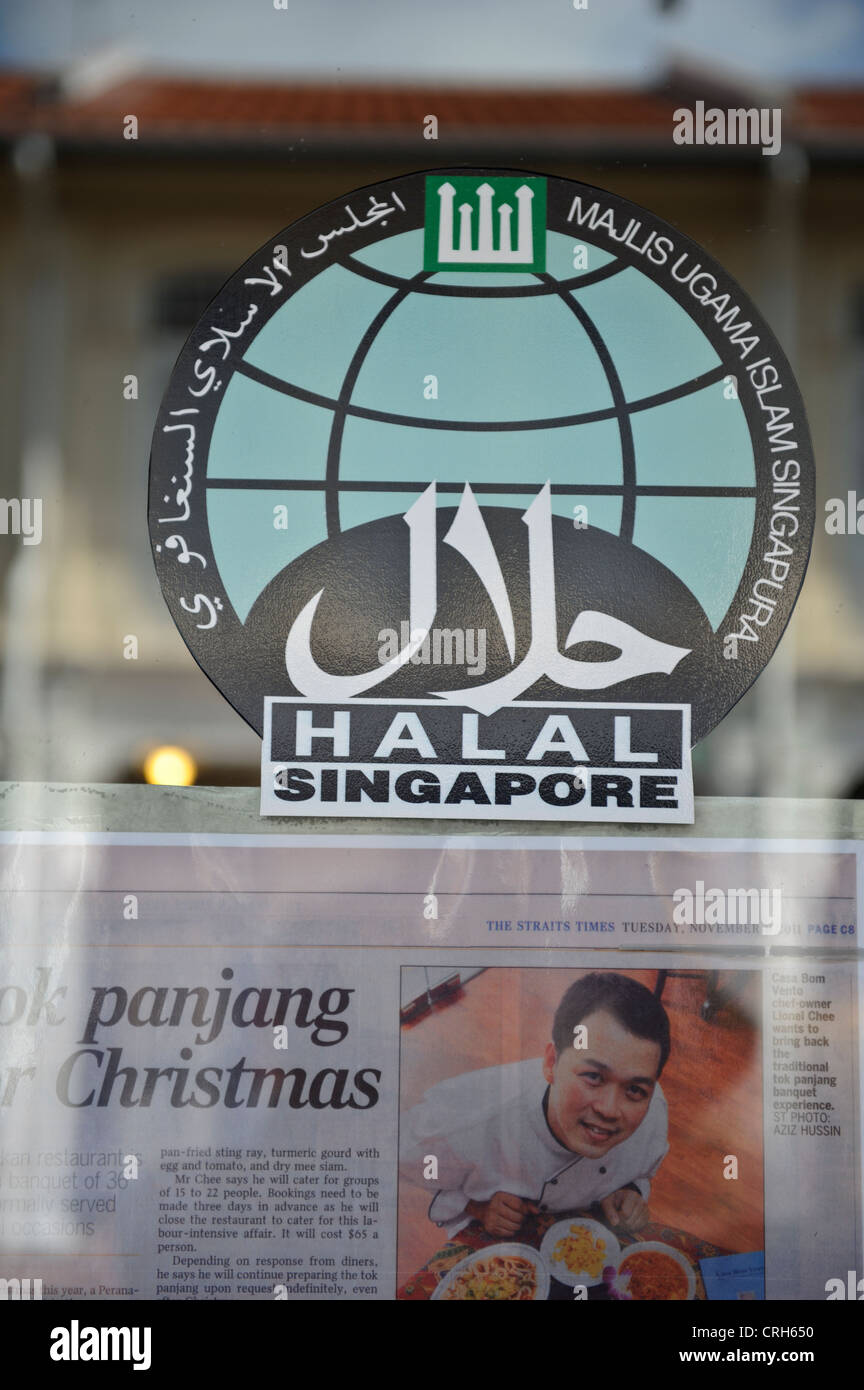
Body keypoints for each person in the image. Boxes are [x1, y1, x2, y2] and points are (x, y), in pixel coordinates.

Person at [400, 971, 670, 1239]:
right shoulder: (466, 1122)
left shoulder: (653, 1111)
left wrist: (631, 1192)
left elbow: (640, 1171)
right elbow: (401, 1158)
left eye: (634, 1089)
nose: (609, 1110)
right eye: (593, 1077)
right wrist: (475, 1206)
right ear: (551, 1063)